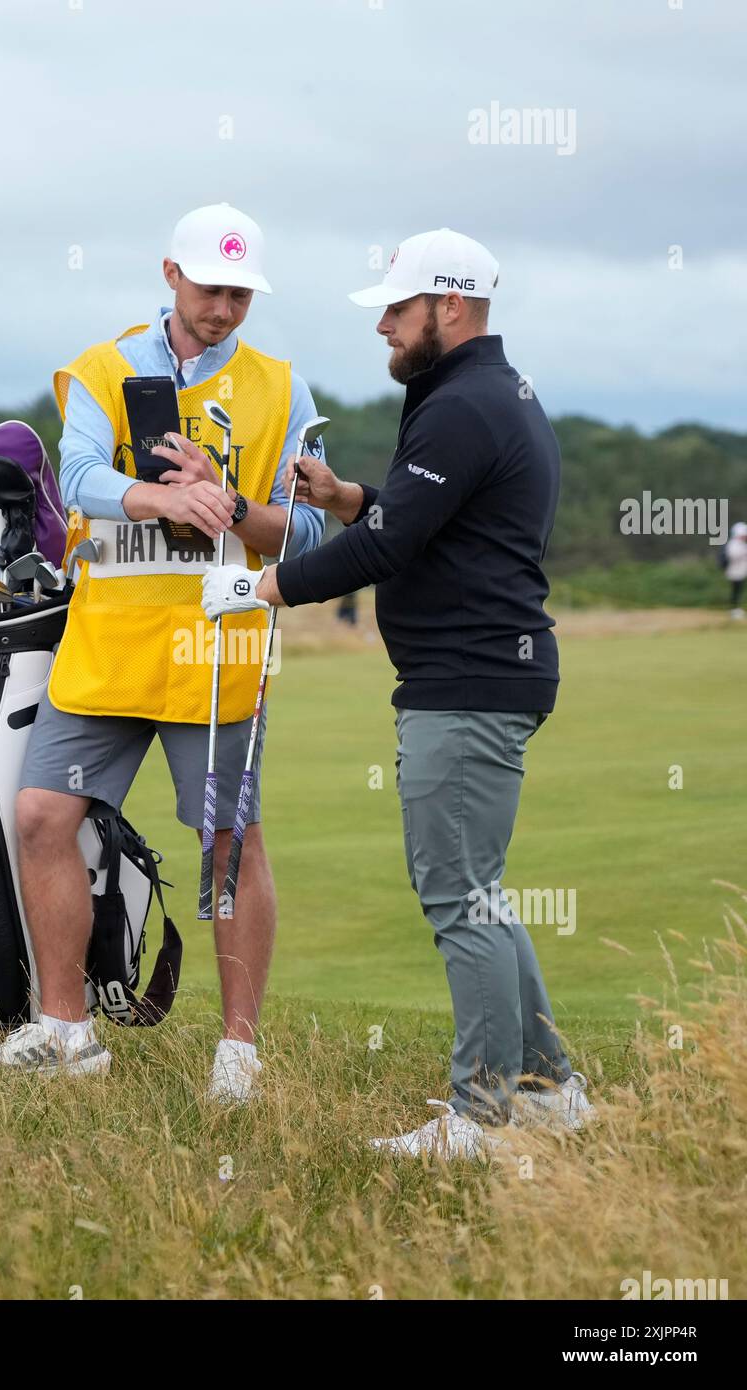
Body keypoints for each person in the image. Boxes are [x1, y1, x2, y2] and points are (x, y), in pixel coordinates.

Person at [203, 227, 594, 1156]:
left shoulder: (463, 405)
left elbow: (392, 549)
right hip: (482, 673)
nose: (382, 324)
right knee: (479, 894)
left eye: (396, 307)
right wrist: (344, 497)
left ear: (447, 307)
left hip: (467, 682)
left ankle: (484, 1115)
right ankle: (547, 1092)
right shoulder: (485, 393)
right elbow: (417, 519)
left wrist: (262, 587)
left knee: (459, 898)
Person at [0, 203, 325, 1101]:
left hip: (218, 647)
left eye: (243, 294)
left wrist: (233, 504)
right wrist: (161, 500)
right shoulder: (101, 366)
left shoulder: (284, 387)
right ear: (171, 274)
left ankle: (239, 1057)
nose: (226, 308)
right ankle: (66, 1030)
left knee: (226, 846)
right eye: (213, 289)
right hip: (108, 645)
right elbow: (83, 476)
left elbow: (314, 526)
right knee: (43, 818)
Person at [724, 521, 747, 619]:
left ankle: (736, 609)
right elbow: (733, 556)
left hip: (742, 571)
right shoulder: (733, 544)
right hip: (735, 572)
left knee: (739, 591)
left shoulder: (742, 544)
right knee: (736, 591)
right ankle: (734, 610)